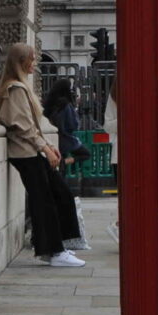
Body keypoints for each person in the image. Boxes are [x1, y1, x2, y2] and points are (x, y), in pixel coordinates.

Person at [0, 44, 86, 267]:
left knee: (60, 193)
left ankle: (59, 246)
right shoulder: (15, 89)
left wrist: (47, 145)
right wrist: (44, 147)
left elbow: (33, 125)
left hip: (31, 151)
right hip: (24, 153)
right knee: (44, 201)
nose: (35, 63)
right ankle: (53, 251)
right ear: (21, 61)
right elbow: (24, 127)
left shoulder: (21, 87)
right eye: (32, 59)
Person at [42, 77, 94, 253]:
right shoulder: (66, 105)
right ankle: (63, 233)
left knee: (53, 189)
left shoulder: (50, 105)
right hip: (65, 143)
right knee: (62, 190)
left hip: (52, 144)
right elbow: (73, 125)